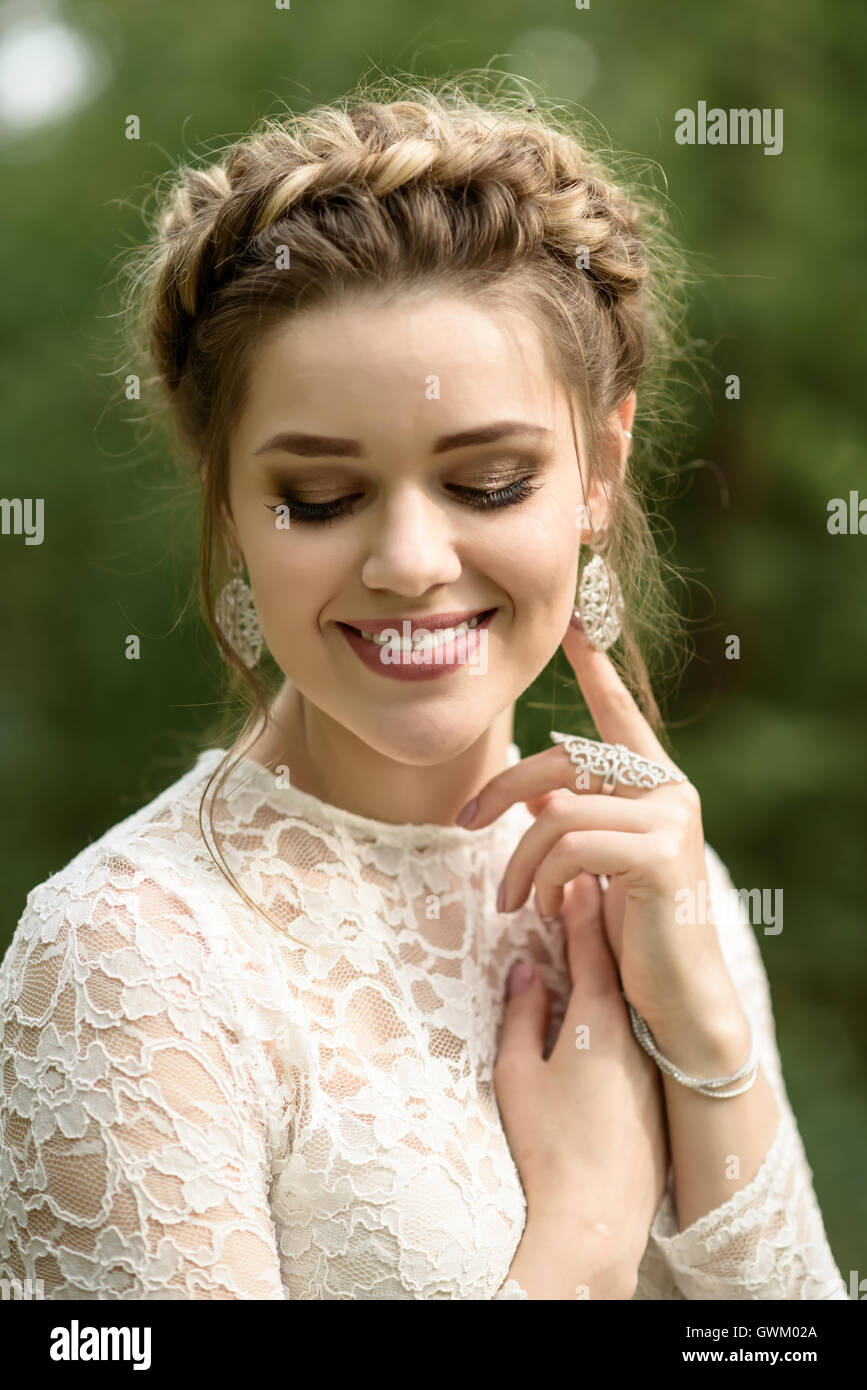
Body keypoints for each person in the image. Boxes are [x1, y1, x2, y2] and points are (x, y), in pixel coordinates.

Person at [0, 73, 848, 1300]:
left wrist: (708, 1042)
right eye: (322, 497)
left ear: (598, 471)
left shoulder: (669, 881)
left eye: (488, 481)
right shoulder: (128, 960)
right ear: (231, 509)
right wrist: (580, 1252)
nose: (406, 563)